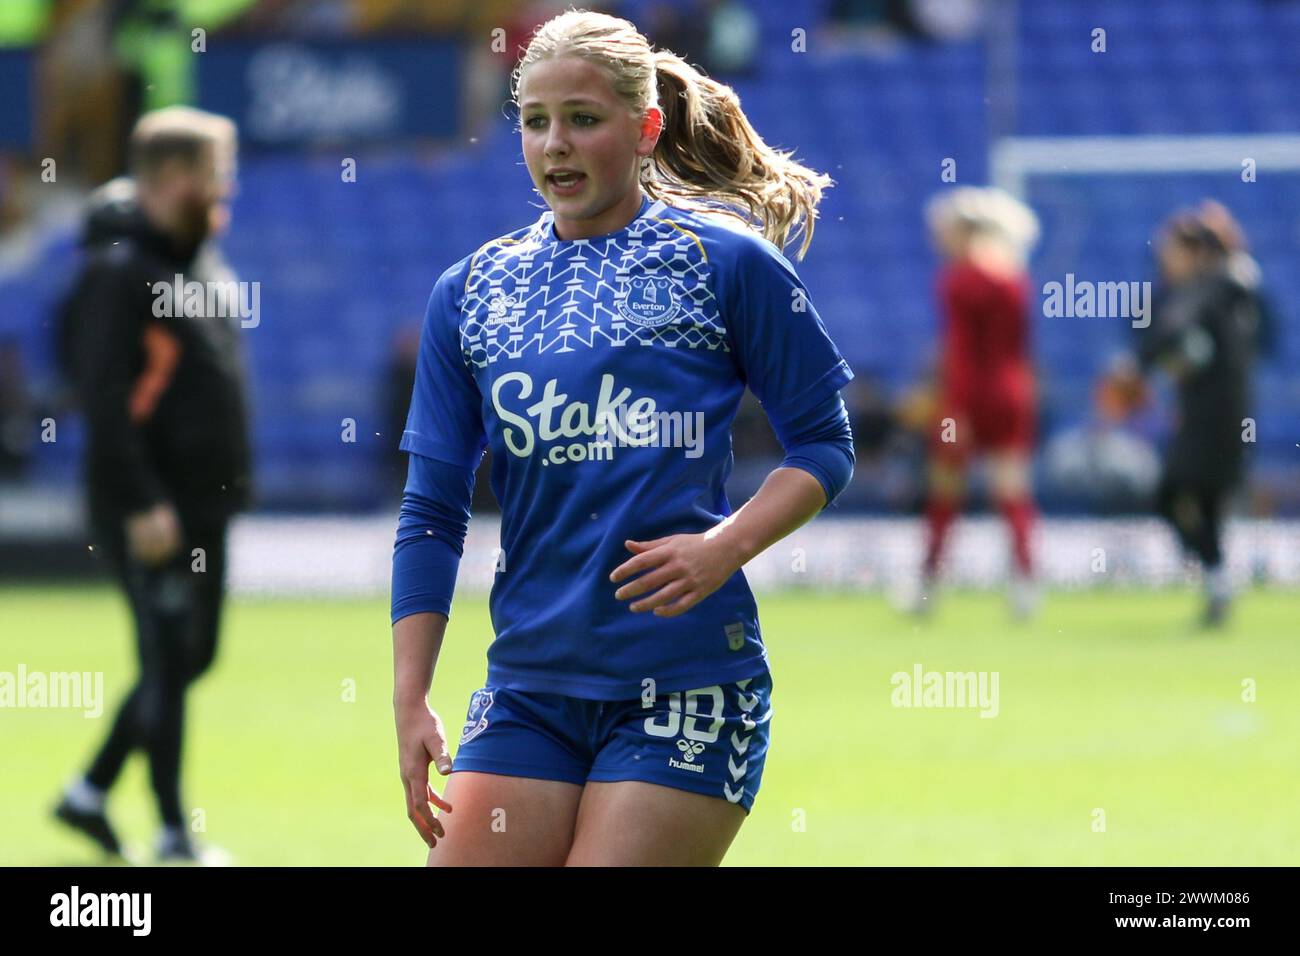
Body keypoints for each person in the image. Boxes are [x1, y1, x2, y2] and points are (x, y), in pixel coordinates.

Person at [391, 8, 855, 866]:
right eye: (535, 122)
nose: (555, 145)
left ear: (644, 129)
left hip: (687, 685)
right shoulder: (470, 291)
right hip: (529, 686)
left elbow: (825, 447)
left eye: (583, 120)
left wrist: (724, 547)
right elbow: (431, 509)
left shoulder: (729, 264)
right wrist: (410, 696)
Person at [53, 106, 250, 863]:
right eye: (215, 175)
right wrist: (139, 502)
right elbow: (103, 399)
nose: (225, 190)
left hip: (203, 505)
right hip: (154, 508)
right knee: (169, 659)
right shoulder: (119, 275)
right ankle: (172, 834)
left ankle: (89, 792)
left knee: (191, 657)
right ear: (173, 179)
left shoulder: (192, 266)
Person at [909, 187, 1041, 618]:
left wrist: (956, 409)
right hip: (1012, 391)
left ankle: (926, 589)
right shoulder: (1012, 274)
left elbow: (962, 352)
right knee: (1012, 491)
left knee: (945, 494)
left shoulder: (961, 279)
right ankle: (1024, 586)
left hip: (970, 395)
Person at [1130, 207, 1262, 626]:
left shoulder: (1212, 287)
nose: (1165, 260)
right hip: (1218, 412)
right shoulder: (1228, 286)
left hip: (1216, 417)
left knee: (1169, 496)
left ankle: (1217, 577)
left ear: (1195, 253)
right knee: (1204, 504)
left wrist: (1142, 365)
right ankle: (1218, 582)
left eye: (1172, 250)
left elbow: (1165, 335)